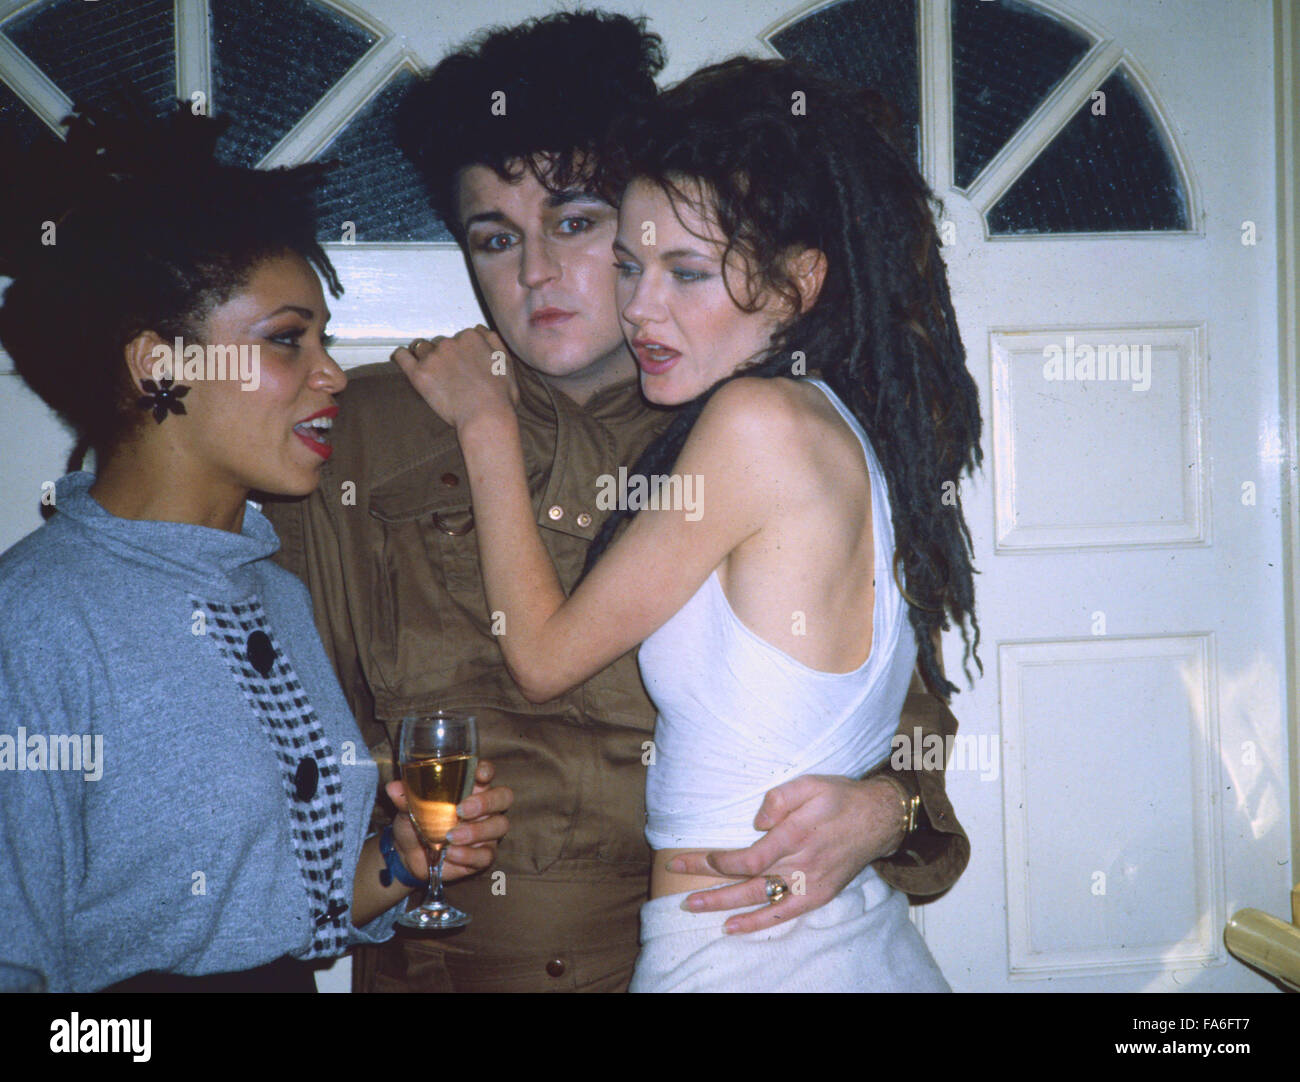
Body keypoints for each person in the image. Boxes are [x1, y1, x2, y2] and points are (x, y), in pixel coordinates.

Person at [265, 10, 969, 994]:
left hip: (710, 950)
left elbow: (898, 722)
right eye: (494, 235)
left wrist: (882, 809)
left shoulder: (749, 431)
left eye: (577, 223)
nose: (537, 271)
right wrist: (378, 849)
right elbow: (265, 735)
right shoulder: (365, 431)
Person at [0, 104, 510, 993]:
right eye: (286, 342)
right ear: (159, 364)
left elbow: (282, 924)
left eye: (322, 339)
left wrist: (398, 857)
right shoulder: (36, 621)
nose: (333, 374)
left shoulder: (272, 594)